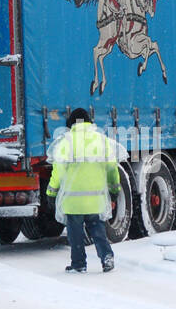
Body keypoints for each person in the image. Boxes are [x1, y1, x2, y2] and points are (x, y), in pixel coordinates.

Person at [45, 108, 120, 273]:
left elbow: (58, 171)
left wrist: (51, 192)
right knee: (98, 230)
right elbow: (112, 168)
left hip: (73, 201)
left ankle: (79, 264)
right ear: (89, 122)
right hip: (96, 199)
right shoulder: (101, 141)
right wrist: (115, 189)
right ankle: (107, 257)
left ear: (71, 123)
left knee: (75, 234)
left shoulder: (66, 142)